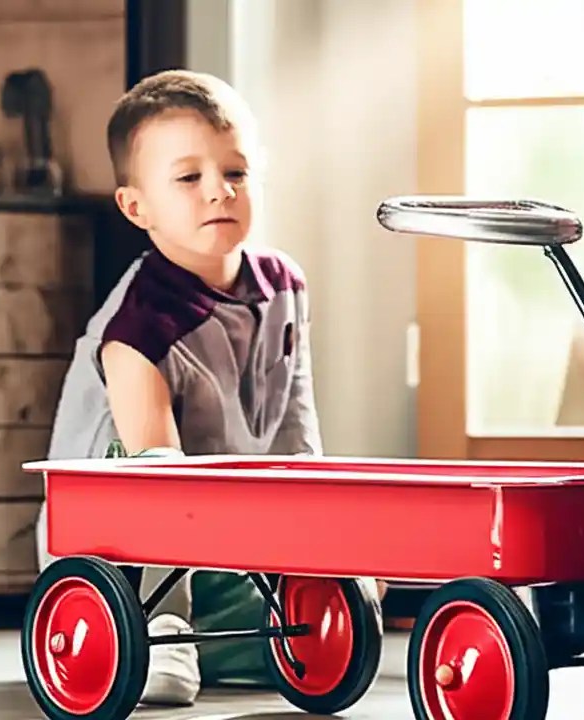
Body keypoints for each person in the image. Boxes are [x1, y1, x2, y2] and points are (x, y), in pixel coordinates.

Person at [36, 69, 379, 707]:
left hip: (220, 527)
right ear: (137, 207)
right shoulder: (136, 328)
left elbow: (295, 431)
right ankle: (163, 633)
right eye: (188, 178)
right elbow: (156, 474)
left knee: (335, 611)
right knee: (156, 487)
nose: (218, 192)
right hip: (129, 549)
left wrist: (330, 546)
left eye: (236, 174)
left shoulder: (283, 286)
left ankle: (230, 636)